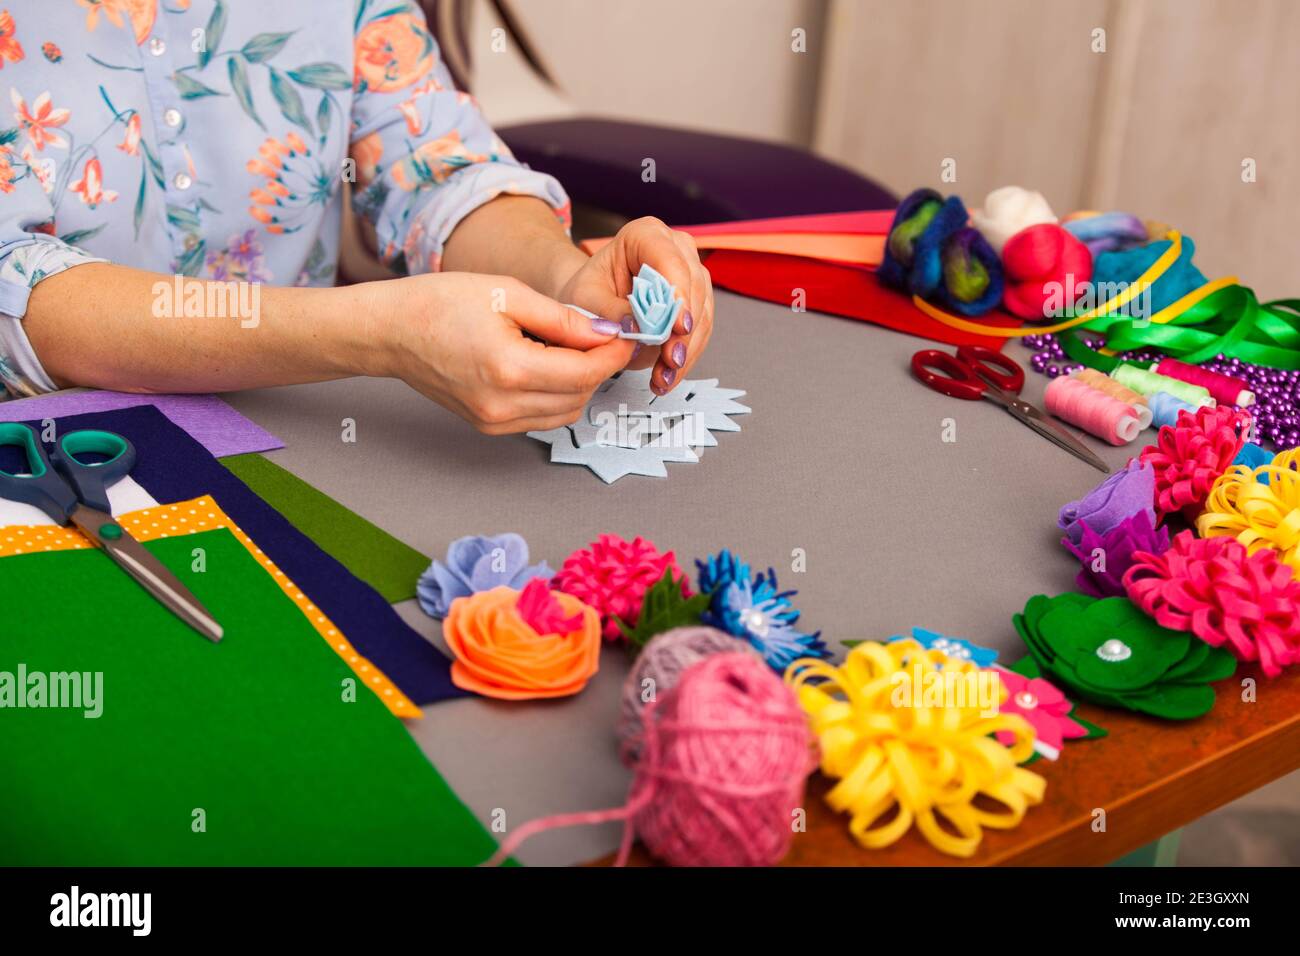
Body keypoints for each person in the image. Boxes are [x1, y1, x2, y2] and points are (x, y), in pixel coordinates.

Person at [0, 0, 713, 434]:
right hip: (41, 450)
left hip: (300, 436)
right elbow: (15, 288)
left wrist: (567, 278)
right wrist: (377, 334)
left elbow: (434, 166)